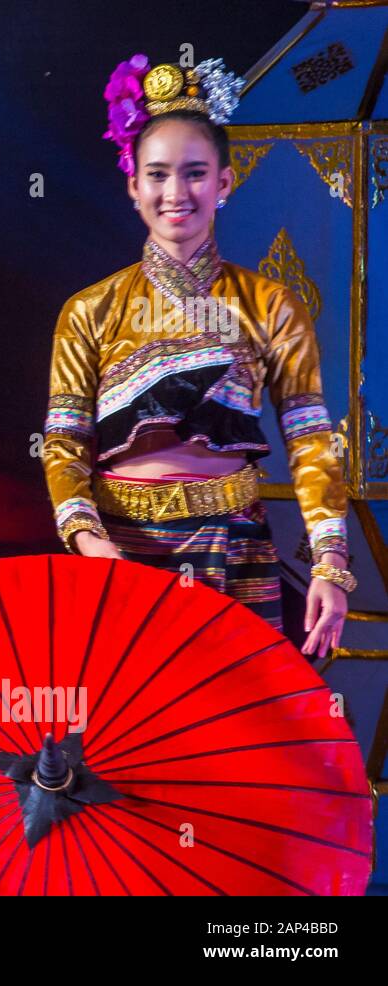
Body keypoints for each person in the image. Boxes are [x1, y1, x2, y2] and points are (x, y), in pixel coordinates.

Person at [42, 55, 354, 655]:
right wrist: (88, 541)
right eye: (157, 175)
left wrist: (329, 563)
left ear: (225, 183)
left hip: (235, 546)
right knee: (125, 739)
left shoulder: (270, 305)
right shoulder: (90, 310)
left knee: (235, 735)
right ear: (133, 184)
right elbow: (62, 445)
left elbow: (311, 440)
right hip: (121, 551)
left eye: (195, 173)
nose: (176, 193)